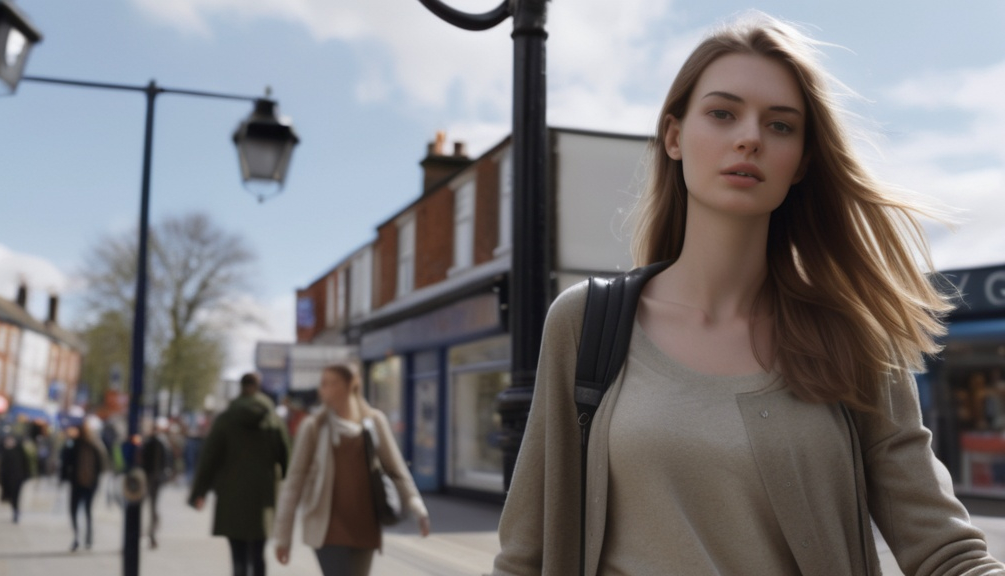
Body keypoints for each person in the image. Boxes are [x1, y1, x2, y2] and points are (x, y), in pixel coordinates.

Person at [492, 11, 1005, 576]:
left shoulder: (853, 340)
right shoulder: (587, 323)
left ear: (803, 161)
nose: (749, 138)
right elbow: (525, 557)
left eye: (780, 125)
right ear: (674, 136)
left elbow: (947, 552)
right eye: (722, 113)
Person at [274, 363, 430, 576]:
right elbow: (294, 483)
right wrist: (283, 538)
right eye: (323, 383)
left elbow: (396, 469)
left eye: (332, 383)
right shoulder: (314, 427)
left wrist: (417, 507)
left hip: (365, 527)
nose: (325, 389)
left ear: (351, 385)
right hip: (326, 529)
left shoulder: (374, 422)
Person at [189, 372, 290, 576]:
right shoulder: (273, 420)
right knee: (259, 552)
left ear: (241, 387)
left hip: (231, 494)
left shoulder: (226, 419)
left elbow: (210, 458)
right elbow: (286, 456)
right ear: (259, 386)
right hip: (263, 495)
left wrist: (198, 493)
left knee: (238, 554)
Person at [59, 419, 108, 551]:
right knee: (82, 511)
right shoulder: (79, 444)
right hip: (84, 483)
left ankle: (83, 538)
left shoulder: (86, 445)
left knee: (81, 510)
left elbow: (66, 462)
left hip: (85, 483)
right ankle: (83, 538)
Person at [141, 417, 173, 549]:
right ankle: (150, 534)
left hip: (151, 478)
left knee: (151, 508)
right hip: (153, 477)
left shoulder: (155, 442)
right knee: (151, 507)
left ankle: (151, 534)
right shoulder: (158, 442)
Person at [0, 428, 33, 523]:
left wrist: (27, 475)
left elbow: (26, 461)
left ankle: (16, 510)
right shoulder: (2, 447)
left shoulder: (19, 448)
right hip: (6, 476)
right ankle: (14, 507)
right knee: (9, 494)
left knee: (16, 495)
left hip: (18, 476)